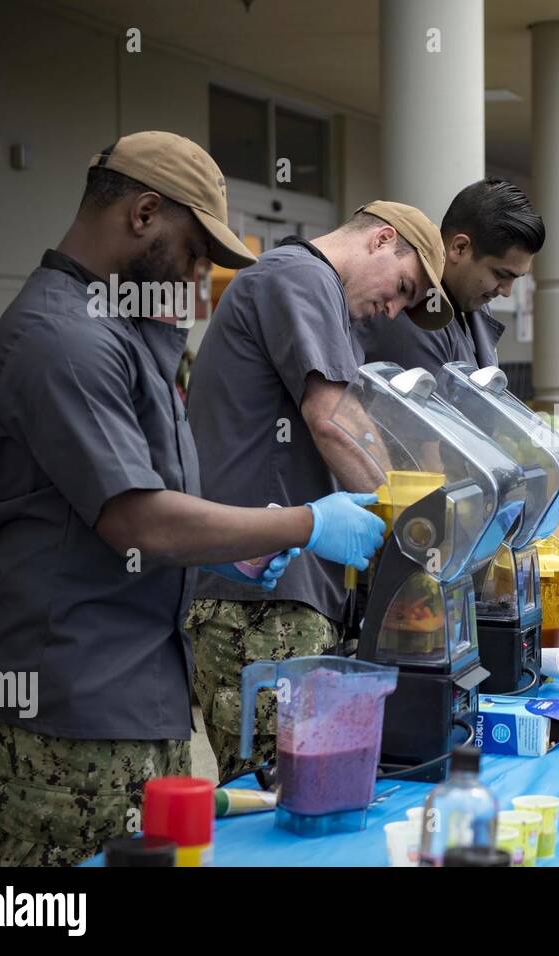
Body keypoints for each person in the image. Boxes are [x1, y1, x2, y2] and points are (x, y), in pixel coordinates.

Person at [0, 132, 386, 866]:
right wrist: (306, 522)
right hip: (67, 701)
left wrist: (239, 553)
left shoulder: (119, 331)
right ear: (144, 213)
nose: (198, 273)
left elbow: (138, 508)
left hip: (128, 689)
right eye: (195, 252)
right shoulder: (65, 338)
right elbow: (136, 519)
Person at [184, 200, 453, 783]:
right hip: (260, 601)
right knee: (286, 793)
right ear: (383, 239)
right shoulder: (300, 276)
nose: (394, 309)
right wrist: (412, 532)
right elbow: (334, 419)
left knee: (309, 792)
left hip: (281, 591)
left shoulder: (318, 294)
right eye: (403, 287)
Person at [357, 178, 544, 374]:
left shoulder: (471, 305)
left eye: (516, 277)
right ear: (460, 248)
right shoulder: (411, 313)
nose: (506, 291)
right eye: (501, 274)